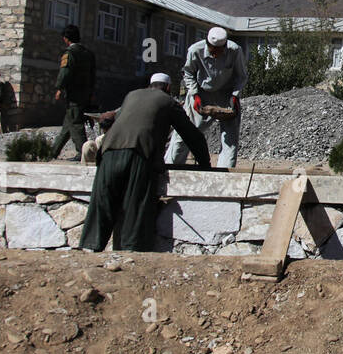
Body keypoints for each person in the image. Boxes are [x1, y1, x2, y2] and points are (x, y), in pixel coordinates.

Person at [81, 73, 211, 252]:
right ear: (167, 88)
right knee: (135, 203)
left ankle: (89, 245)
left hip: (108, 152)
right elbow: (191, 134)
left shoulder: (131, 96)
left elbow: (110, 118)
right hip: (139, 153)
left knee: (102, 201)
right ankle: (130, 249)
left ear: (150, 85)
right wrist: (205, 164)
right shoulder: (168, 102)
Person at [165, 26, 247, 169]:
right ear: (208, 45)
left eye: (219, 51)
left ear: (225, 46)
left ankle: (224, 174)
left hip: (226, 95)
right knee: (185, 133)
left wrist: (235, 96)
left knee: (230, 139)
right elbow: (188, 73)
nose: (215, 55)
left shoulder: (235, 51)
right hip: (201, 93)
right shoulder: (195, 50)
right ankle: (170, 167)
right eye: (213, 51)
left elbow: (241, 76)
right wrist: (194, 94)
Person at [50, 24, 96, 160]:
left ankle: (83, 153)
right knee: (68, 124)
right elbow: (93, 74)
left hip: (74, 94)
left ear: (66, 39)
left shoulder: (70, 53)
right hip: (86, 93)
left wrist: (59, 88)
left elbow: (65, 72)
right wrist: (92, 92)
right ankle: (52, 152)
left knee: (75, 123)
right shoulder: (88, 54)